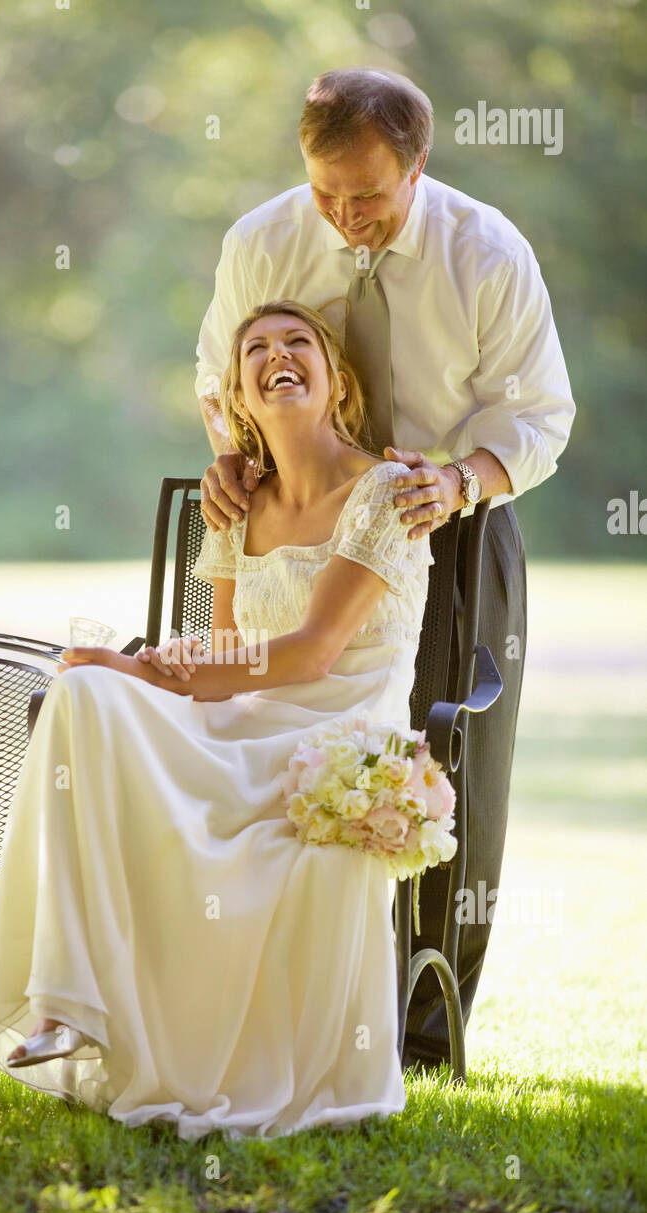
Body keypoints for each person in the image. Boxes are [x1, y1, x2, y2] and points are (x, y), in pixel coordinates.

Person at [195, 68, 575, 1069]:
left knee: (448, 761)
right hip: (299, 516)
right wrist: (233, 454)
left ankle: (421, 1027)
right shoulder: (261, 239)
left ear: (416, 165)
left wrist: (457, 480)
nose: (343, 216)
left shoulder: (485, 252)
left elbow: (539, 416)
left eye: (365, 196)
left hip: (446, 521)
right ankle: (271, 1002)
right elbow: (213, 374)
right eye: (325, 192)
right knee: (274, 728)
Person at [0, 300, 431, 1140]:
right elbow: (222, 667)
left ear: (337, 383)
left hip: (333, 733)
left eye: (299, 342)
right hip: (245, 725)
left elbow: (311, 654)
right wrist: (146, 675)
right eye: (256, 348)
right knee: (82, 695)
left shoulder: (386, 492)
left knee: (110, 681)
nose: (277, 355)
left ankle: (122, 1019)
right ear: (240, 397)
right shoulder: (233, 507)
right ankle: (66, 1005)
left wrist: (144, 664)